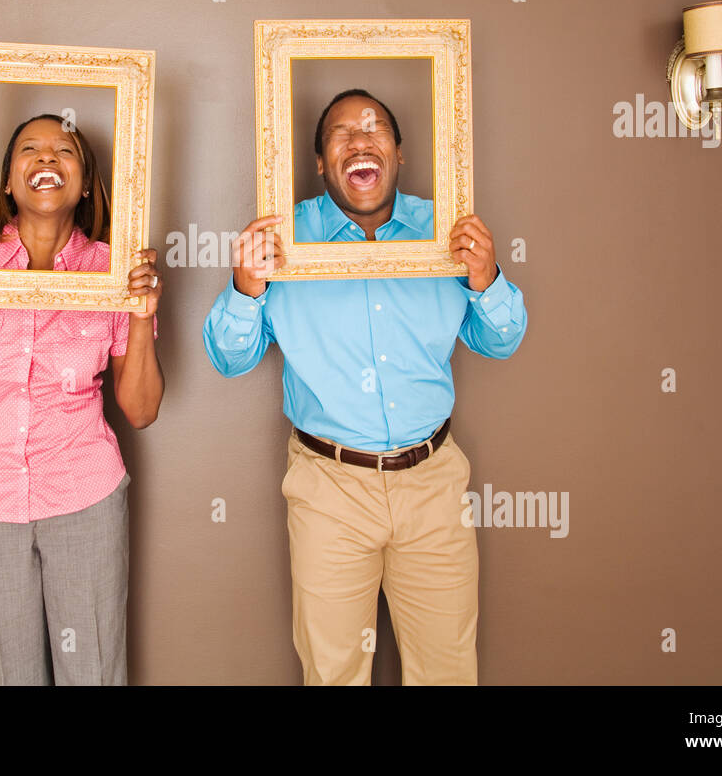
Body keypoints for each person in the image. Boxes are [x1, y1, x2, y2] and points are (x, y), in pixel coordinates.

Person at [202, 89, 526, 685]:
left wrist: (487, 278)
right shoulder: (283, 240)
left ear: (398, 153)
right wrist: (245, 289)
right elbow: (230, 359)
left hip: (433, 481)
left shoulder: (445, 230)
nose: (359, 139)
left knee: (448, 672)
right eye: (340, 134)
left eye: (373, 129)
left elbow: (500, 340)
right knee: (334, 673)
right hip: (329, 488)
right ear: (323, 162)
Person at [0, 113, 163, 685]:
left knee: (92, 673)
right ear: (8, 182)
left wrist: (142, 319)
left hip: (84, 496)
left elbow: (140, 409)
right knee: (11, 677)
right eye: (30, 150)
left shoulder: (113, 272)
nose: (46, 159)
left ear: (85, 182)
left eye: (63, 150)